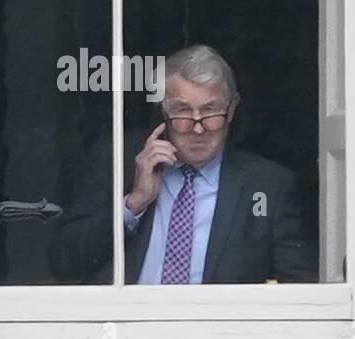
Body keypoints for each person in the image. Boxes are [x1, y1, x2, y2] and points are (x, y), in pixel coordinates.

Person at [49, 44, 317, 284]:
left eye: (211, 110)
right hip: (126, 331)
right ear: (162, 111)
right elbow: (63, 262)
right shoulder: (119, 161)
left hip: (221, 335)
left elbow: (301, 289)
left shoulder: (269, 185)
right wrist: (134, 203)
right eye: (182, 111)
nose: (197, 128)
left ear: (232, 109)